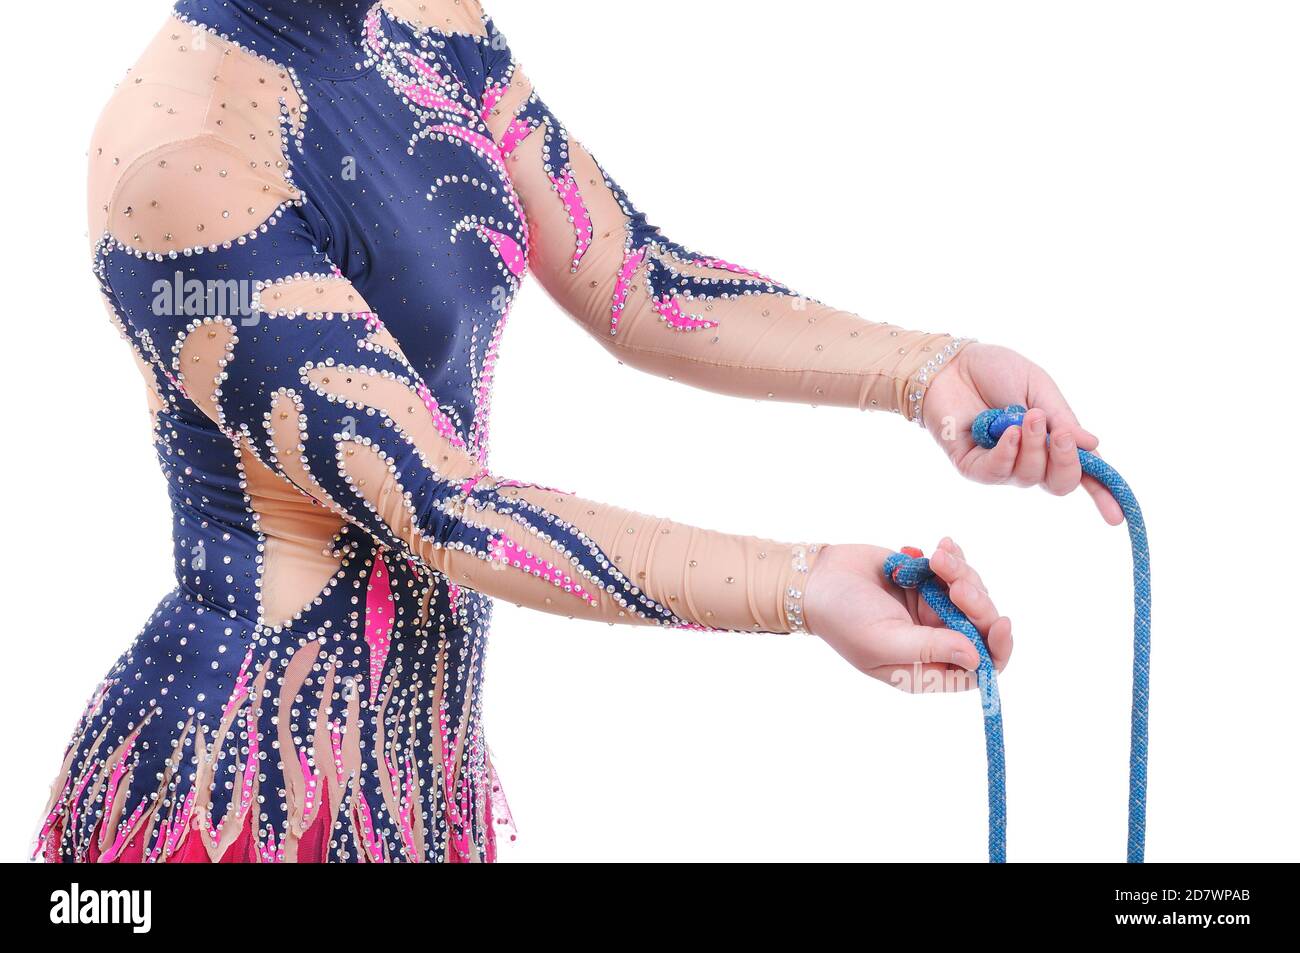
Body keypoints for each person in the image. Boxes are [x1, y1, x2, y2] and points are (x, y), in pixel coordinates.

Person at [38, 0, 1112, 864]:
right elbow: (446, 506)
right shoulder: (176, 159)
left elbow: (636, 278)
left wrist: (927, 369)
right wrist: (803, 582)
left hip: (421, 778)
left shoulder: (428, 21)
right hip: (242, 794)